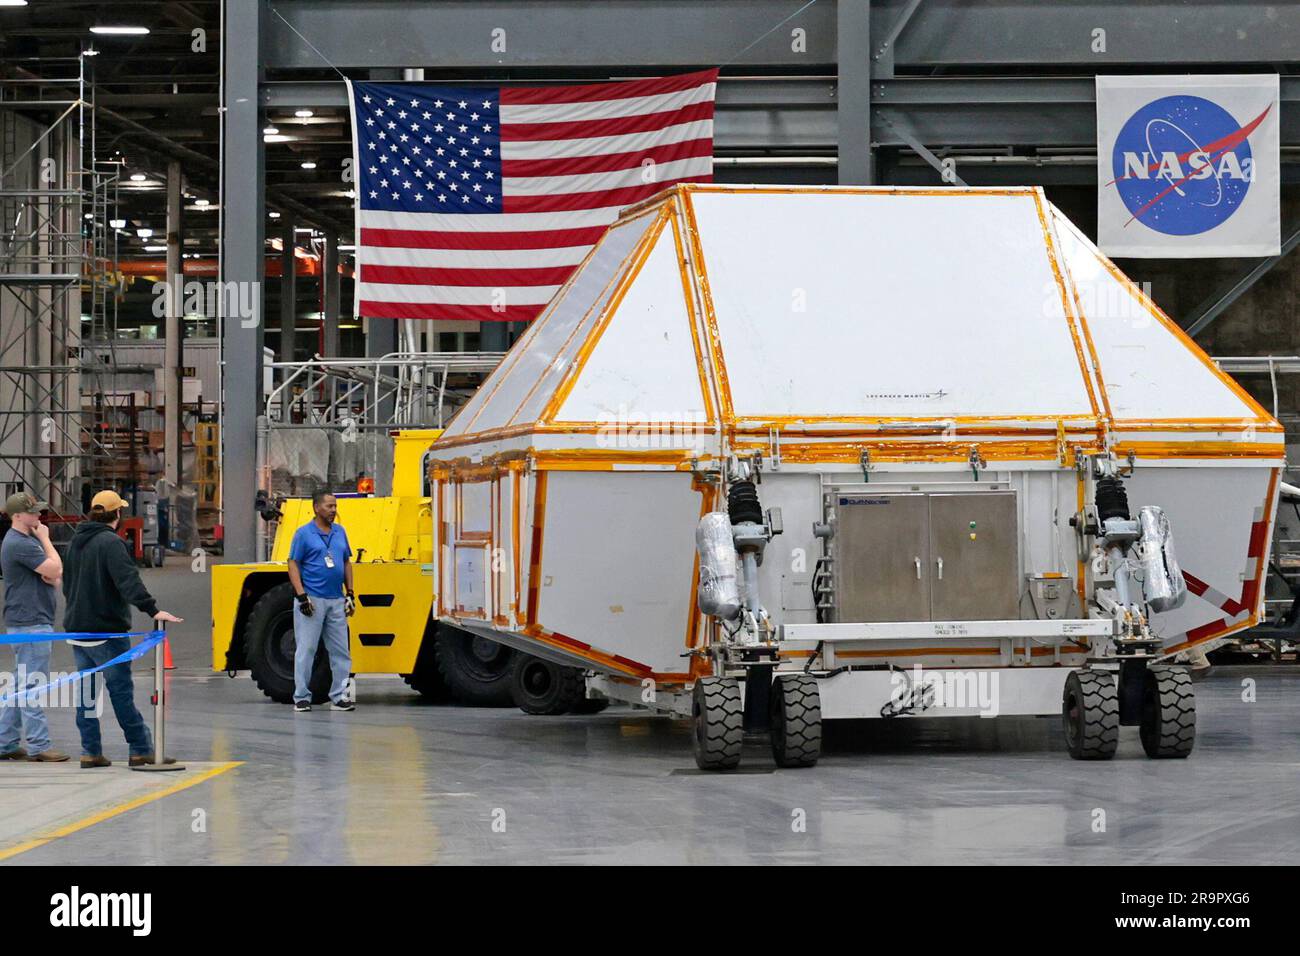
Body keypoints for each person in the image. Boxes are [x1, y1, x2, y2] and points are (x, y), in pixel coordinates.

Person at [63, 490, 182, 768]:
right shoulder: (110, 544)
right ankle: (140, 748)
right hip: (108, 632)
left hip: (78, 632)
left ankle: (90, 751)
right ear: (117, 515)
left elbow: (68, 586)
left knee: (87, 696)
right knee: (120, 693)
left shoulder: (73, 543)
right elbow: (128, 582)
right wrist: (153, 609)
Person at [0, 493, 69, 762]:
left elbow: (54, 576)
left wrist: (52, 571)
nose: (39, 517)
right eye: (34, 513)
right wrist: (46, 539)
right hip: (30, 622)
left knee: (21, 685)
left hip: (29, 620)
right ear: (17, 516)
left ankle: (5, 742)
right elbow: (55, 570)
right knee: (32, 686)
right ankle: (39, 745)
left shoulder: (22, 541)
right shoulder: (22, 543)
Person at [287, 491, 355, 713]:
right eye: (329, 506)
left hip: (336, 600)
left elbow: (346, 562)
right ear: (316, 508)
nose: (334, 510)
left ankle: (339, 696)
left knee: (341, 652)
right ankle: (301, 697)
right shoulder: (304, 534)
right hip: (312, 600)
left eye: (335, 506)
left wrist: (351, 593)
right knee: (307, 649)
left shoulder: (340, 532)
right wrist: (301, 595)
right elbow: (293, 563)